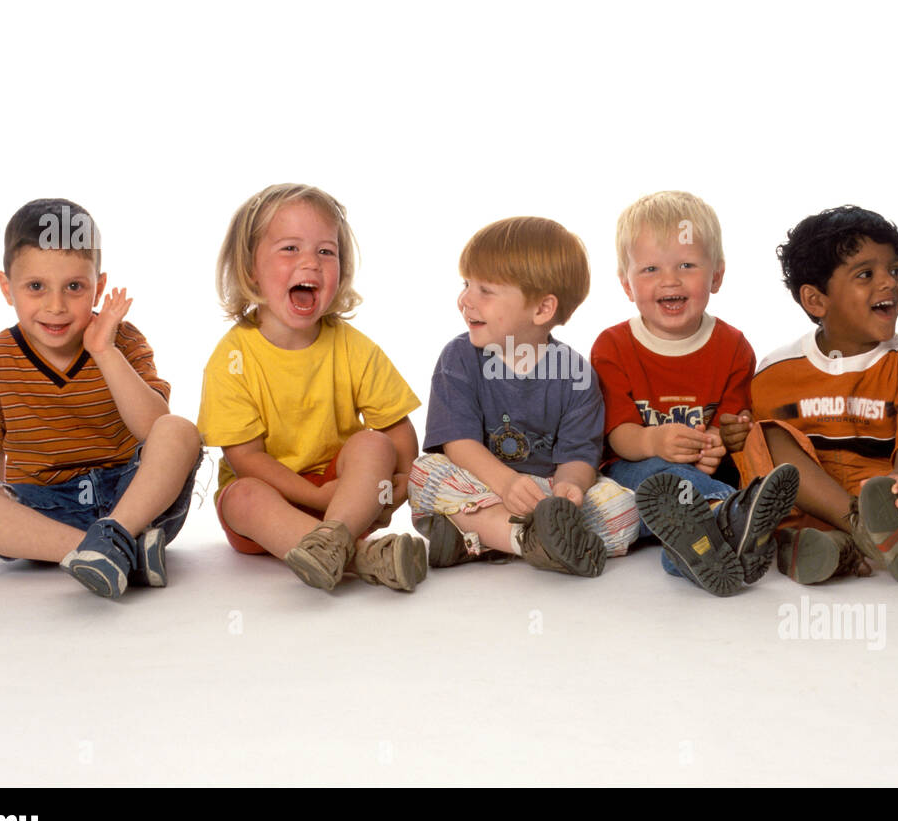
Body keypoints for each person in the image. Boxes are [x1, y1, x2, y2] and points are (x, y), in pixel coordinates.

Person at [0, 198, 203, 600]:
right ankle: (115, 551)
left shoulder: (122, 341)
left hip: (133, 501)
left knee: (179, 430)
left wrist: (105, 351)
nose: (55, 306)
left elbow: (154, 428)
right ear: (7, 287)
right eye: (36, 287)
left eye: (74, 287)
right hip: (47, 510)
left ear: (99, 286)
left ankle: (116, 536)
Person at [722, 205, 898, 584]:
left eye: (894, 270)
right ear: (816, 300)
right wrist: (736, 434)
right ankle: (869, 536)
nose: (889, 283)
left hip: (884, 495)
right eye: (866, 274)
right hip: (813, 500)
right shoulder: (776, 368)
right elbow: (760, 451)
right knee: (766, 434)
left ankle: (849, 545)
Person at [198, 184, 425, 593]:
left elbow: (398, 436)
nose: (312, 263)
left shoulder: (354, 347)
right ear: (250, 268)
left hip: (345, 498)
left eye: (326, 251)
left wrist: (401, 484)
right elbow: (246, 458)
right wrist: (316, 500)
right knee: (241, 496)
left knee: (373, 445)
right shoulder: (231, 357)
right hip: (271, 504)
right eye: (289, 249)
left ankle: (335, 540)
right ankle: (362, 555)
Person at [591, 190, 797, 597]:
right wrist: (654, 440)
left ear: (716, 275)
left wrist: (716, 444)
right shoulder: (612, 346)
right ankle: (729, 513)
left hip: (704, 476)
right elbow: (617, 435)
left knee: (690, 505)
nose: (669, 280)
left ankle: (687, 552)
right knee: (661, 478)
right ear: (626, 284)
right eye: (650, 269)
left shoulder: (733, 346)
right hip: (633, 472)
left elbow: (730, 427)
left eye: (687, 265)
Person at [409, 216, 638, 577]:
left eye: (485, 290)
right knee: (425, 472)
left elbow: (579, 456)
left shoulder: (576, 375)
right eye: (467, 284)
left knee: (621, 506)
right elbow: (457, 444)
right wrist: (506, 484)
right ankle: (525, 540)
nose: (464, 300)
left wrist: (570, 489)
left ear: (542, 309)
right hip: (482, 482)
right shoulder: (460, 358)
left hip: (544, 497)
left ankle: (475, 539)